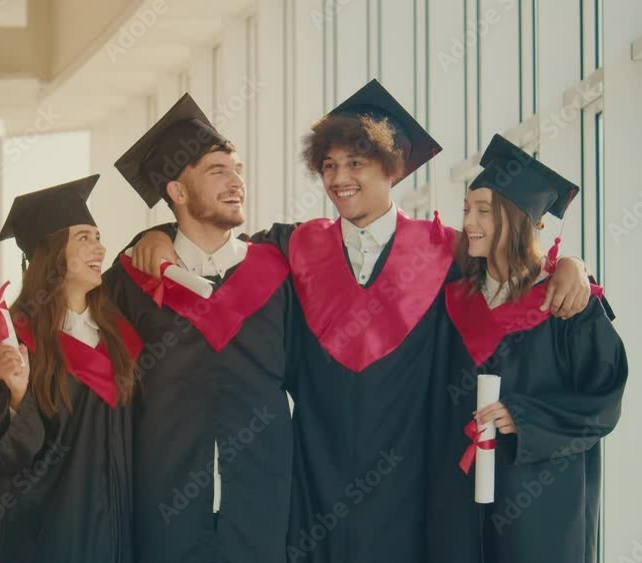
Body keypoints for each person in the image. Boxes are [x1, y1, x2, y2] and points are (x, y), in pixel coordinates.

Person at [129, 80, 593, 563]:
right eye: (328, 165)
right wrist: (156, 234)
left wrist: (570, 265)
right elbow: (210, 244)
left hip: (412, 488)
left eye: (355, 162)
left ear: (391, 168)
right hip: (315, 485)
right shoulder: (293, 245)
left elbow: (512, 269)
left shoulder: (444, 250)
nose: (338, 177)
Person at [104, 94, 300, 563]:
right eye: (218, 171)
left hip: (262, 509)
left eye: (238, 170)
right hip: (164, 508)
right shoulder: (131, 283)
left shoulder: (279, 272)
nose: (237, 183)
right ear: (176, 191)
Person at [445, 133, 628, 563]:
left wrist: (522, 416)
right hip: (459, 494)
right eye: (467, 209)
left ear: (518, 218)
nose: (469, 221)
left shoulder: (570, 306)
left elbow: (604, 403)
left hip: (541, 497)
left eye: (484, 211)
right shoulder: (454, 298)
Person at [0, 175, 141, 563]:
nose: (99, 247)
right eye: (84, 237)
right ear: (51, 255)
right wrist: (19, 396)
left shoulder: (120, 336)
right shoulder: (19, 339)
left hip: (118, 529)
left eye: (98, 236)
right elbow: (6, 456)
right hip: (50, 532)